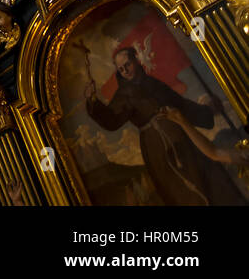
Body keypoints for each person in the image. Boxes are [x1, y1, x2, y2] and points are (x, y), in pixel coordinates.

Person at [84, 46, 246, 204]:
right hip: (157, 150)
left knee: (207, 178)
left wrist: (208, 111)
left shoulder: (153, 83)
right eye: (120, 69)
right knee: (181, 191)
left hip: (182, 138)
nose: (125, 71)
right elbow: (112, 120)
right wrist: (93, 102)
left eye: (127, 64)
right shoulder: (123, 95)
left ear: (137, 60)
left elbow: (181, 105)